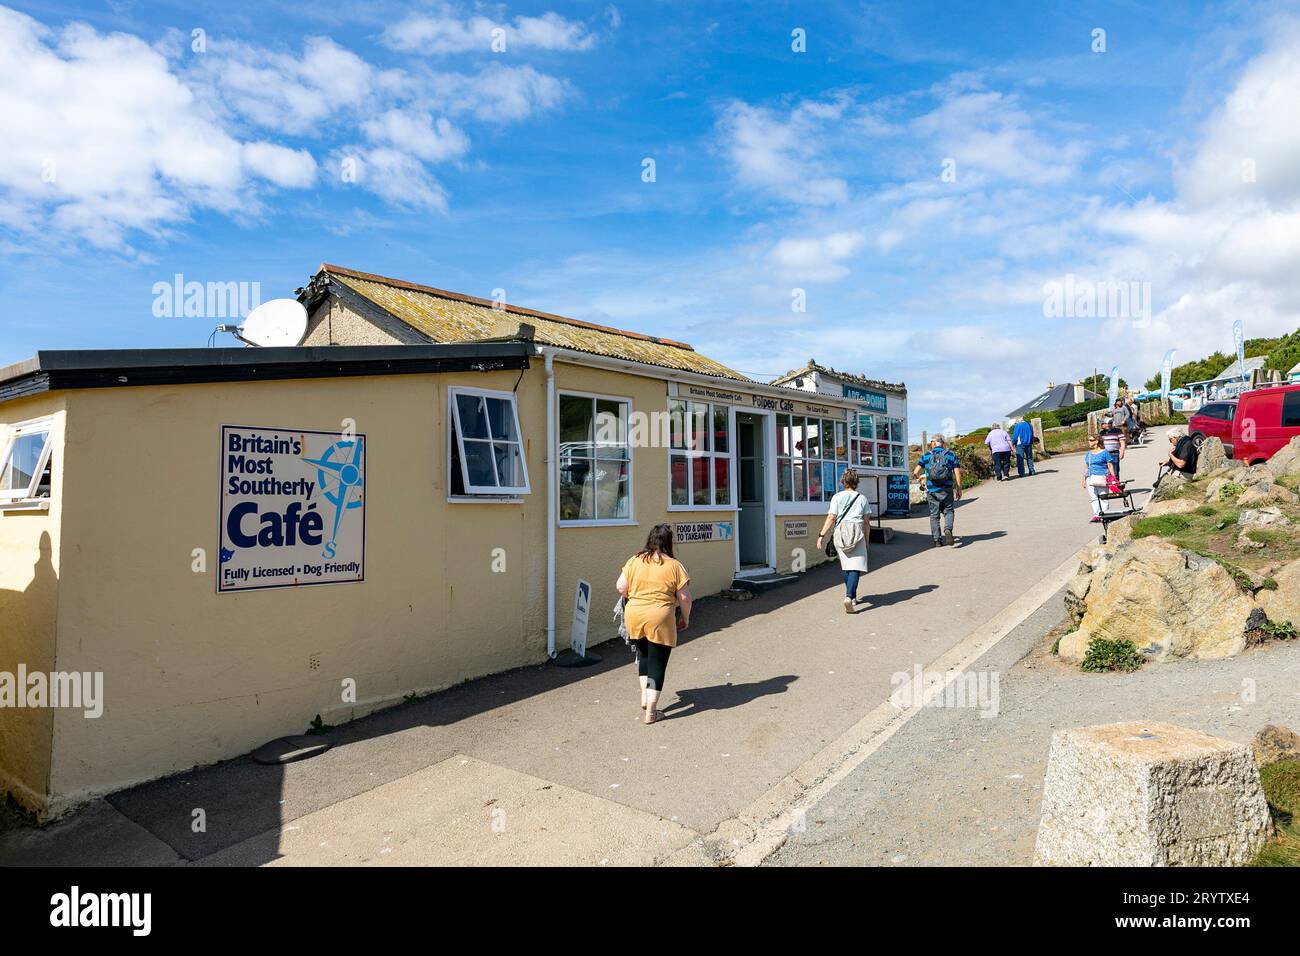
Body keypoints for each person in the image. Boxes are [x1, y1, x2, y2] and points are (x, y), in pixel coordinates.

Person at [616, 524, 692, 725]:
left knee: (645, 656)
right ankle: (651, 711)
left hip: (634, 615)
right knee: (658, 662)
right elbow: (685, 598)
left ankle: (644, 696)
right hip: (660, 617)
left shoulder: (635, 560)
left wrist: (635, 597)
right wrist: (685, 618)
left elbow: (621, 586)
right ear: (669, 542)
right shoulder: (675, 565)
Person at [816, 468, 870, 614]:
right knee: (856, 567)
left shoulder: (837, 497)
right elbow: (866, 522)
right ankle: (849, 596)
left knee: (846, 566)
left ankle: (852, 596)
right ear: (856, 482)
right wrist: (866, 540)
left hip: (840, 532)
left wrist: (821, 536)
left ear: (843, 481)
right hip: (857, 532)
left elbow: (831, 517)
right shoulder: (862, 498)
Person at [913, 435, 963, 547]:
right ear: (943, 443)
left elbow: (916, 471)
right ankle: (948, 529)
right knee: (948, 511)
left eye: (931, 442)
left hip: (932, 490)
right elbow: (957, 472)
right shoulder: (950, 454)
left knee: (934, 515)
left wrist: (921, 480)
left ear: (934, 443)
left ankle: (937, 541)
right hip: (947, 488)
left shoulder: (926, 455)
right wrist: (959, 488)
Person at [1082, 434, 1118, 523]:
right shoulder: (1088, 454)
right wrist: (1083, 479)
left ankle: (1105, 514)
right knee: (1093, 497)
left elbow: (1110, 465)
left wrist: (1113, 478)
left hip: (1102, 476)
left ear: (1097, 441)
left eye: (1091, 440)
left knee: (1103, 496)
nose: (1089, 442)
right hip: (1090, 477)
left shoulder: (1105, 452)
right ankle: (1096, 515)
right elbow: (1086, 466)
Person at [1098, 414, 1126, 480]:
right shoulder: (1102, 433)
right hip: (1104, 454)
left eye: (1104, 423)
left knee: (1115, 471)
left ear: (1109, 423)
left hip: (1114, 453)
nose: (1103, 425)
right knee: (1106, 472)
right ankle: (1110, 486)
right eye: (1102, 424)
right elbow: (1099, 444)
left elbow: (1122, 441)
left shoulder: (1117, 431)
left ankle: (1116, 487)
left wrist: (1122, 452)